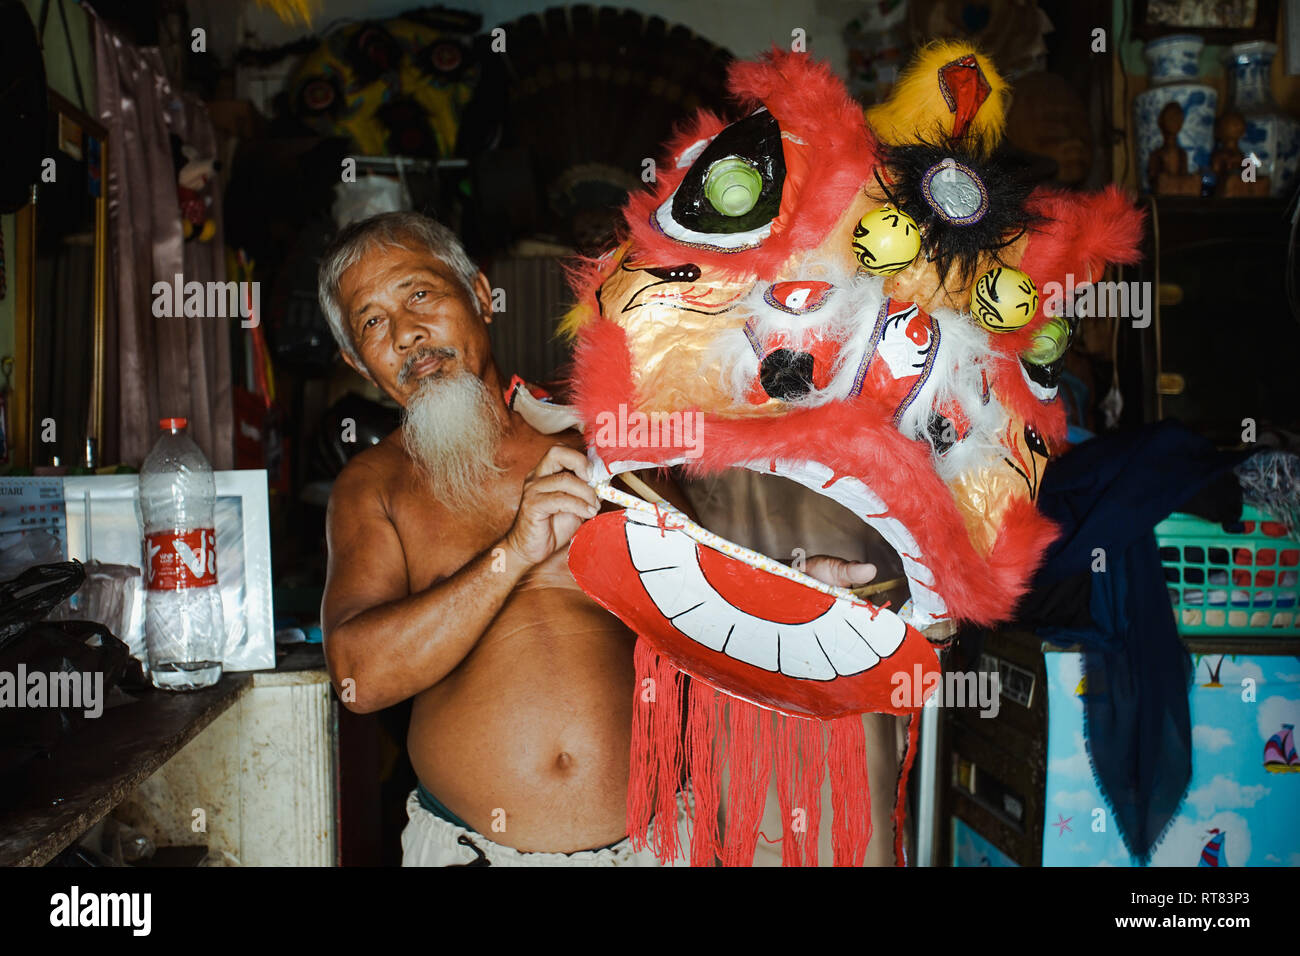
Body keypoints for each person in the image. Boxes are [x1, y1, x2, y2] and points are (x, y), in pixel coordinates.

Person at [317, 211, 874, 866]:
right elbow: (359, 678)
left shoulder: (599, 442)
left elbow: (700, 592)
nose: (407, 333)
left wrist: (791, 588)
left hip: (653, 843)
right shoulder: (374, 485)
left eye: (419, 294)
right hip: (471, 849)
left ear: (478, 294)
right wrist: (514, 552)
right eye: (373, 322)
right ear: (358, 361)